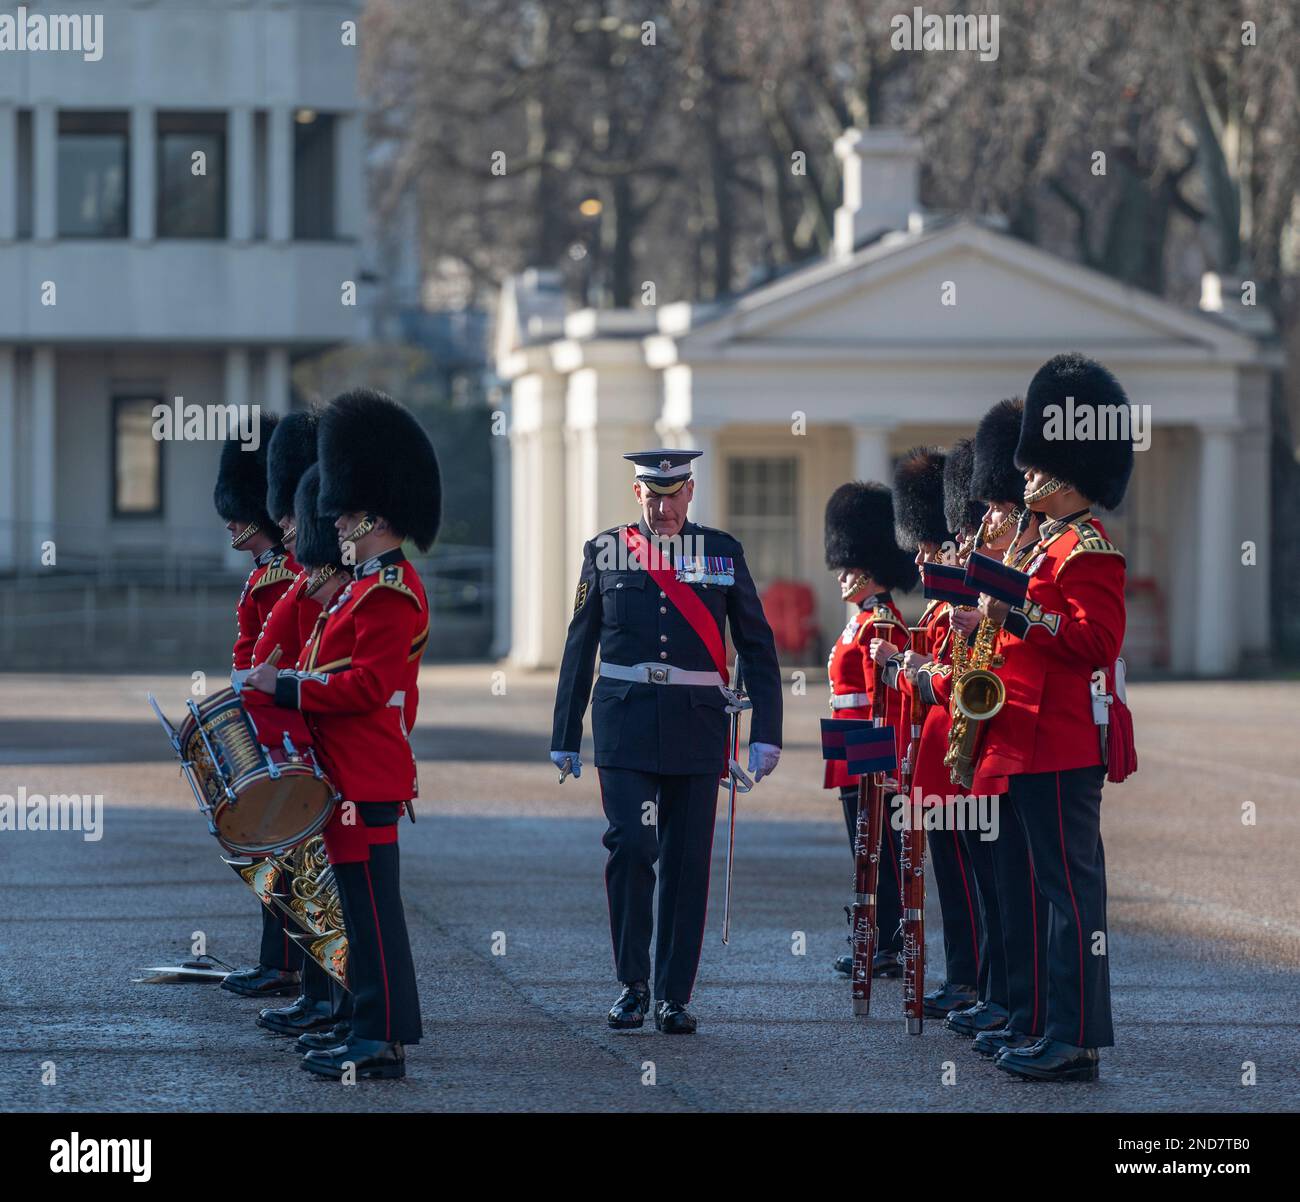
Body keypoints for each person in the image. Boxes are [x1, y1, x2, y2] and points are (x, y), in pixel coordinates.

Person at [550, 449, 783, 1034]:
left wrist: (767, 733)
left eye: (673, 494)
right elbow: (581, 644)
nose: (664, 506)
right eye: (653, 495)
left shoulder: (722, 552)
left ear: (690, 491)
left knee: (686, 860)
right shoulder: (606, 550)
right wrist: (565, 732)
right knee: (630, 844)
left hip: (698, 721)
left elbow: (756, 642)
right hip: (625, 718)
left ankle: (673, 995)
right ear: (638, 495)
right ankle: (632, 984)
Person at [247, 389, 440, 1080]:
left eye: (349, 514)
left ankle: (381, 1042)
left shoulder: (390, 590)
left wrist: (287, 688)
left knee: (373, 916)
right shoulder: (360, 587)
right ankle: (367, 1028)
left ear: (376, 516)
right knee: (356, 914)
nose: (338, 524)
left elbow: (362, 687)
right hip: (343, 772)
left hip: (367, 775)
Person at [966, 355, 1134, 1082]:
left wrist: (1019, 613)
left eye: (1035, 472)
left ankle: (1077, 1037)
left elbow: (1097, 642)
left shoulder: (1088, 550)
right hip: (1030, 738)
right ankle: (1048, 1025)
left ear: (1066, 475)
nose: (1025, 481)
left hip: (1063, 741)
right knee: (1045, 892)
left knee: (1071, 897)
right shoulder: (1045, 545)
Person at [935, 399, 1049, 1051]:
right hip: (991, 742)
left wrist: (988, 623)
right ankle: (1003, 997)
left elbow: (1050, 644)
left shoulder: (1032, 574)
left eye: (1002, 510)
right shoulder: (1001, 576)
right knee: (997, 886)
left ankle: (1017, 1004)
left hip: (1024, 739)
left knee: (1017, 888)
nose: (991, 521)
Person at [879, 447, 981, 1016]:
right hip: (934, 758)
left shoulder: (959, 607)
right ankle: (965, 977)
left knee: (968, 883)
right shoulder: (942, 610)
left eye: (926, 547)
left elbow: (953, 679)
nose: (920, 561)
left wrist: (906, 669)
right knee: (955, 879)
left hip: (955, 760)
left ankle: (971, 980)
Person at [210, 412, 302, 999]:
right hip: (266, 719)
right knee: (273, 848)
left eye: (235, 513)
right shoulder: (267, 569)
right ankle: (281, 963)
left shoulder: (286, 571)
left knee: (286, 849)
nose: (229, 524)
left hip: (285, 724)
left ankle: (286, 966)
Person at [822, 481, 917, 979]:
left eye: (850, 568)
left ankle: (887, 938)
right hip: (848, 738)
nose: (841, 576)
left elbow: (889, 698)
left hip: (869, 741)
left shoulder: (879, 623)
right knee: (864, 844)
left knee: (875, 842)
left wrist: (885, 761)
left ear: (870, 570)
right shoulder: (859, 621)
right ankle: (875, 933)